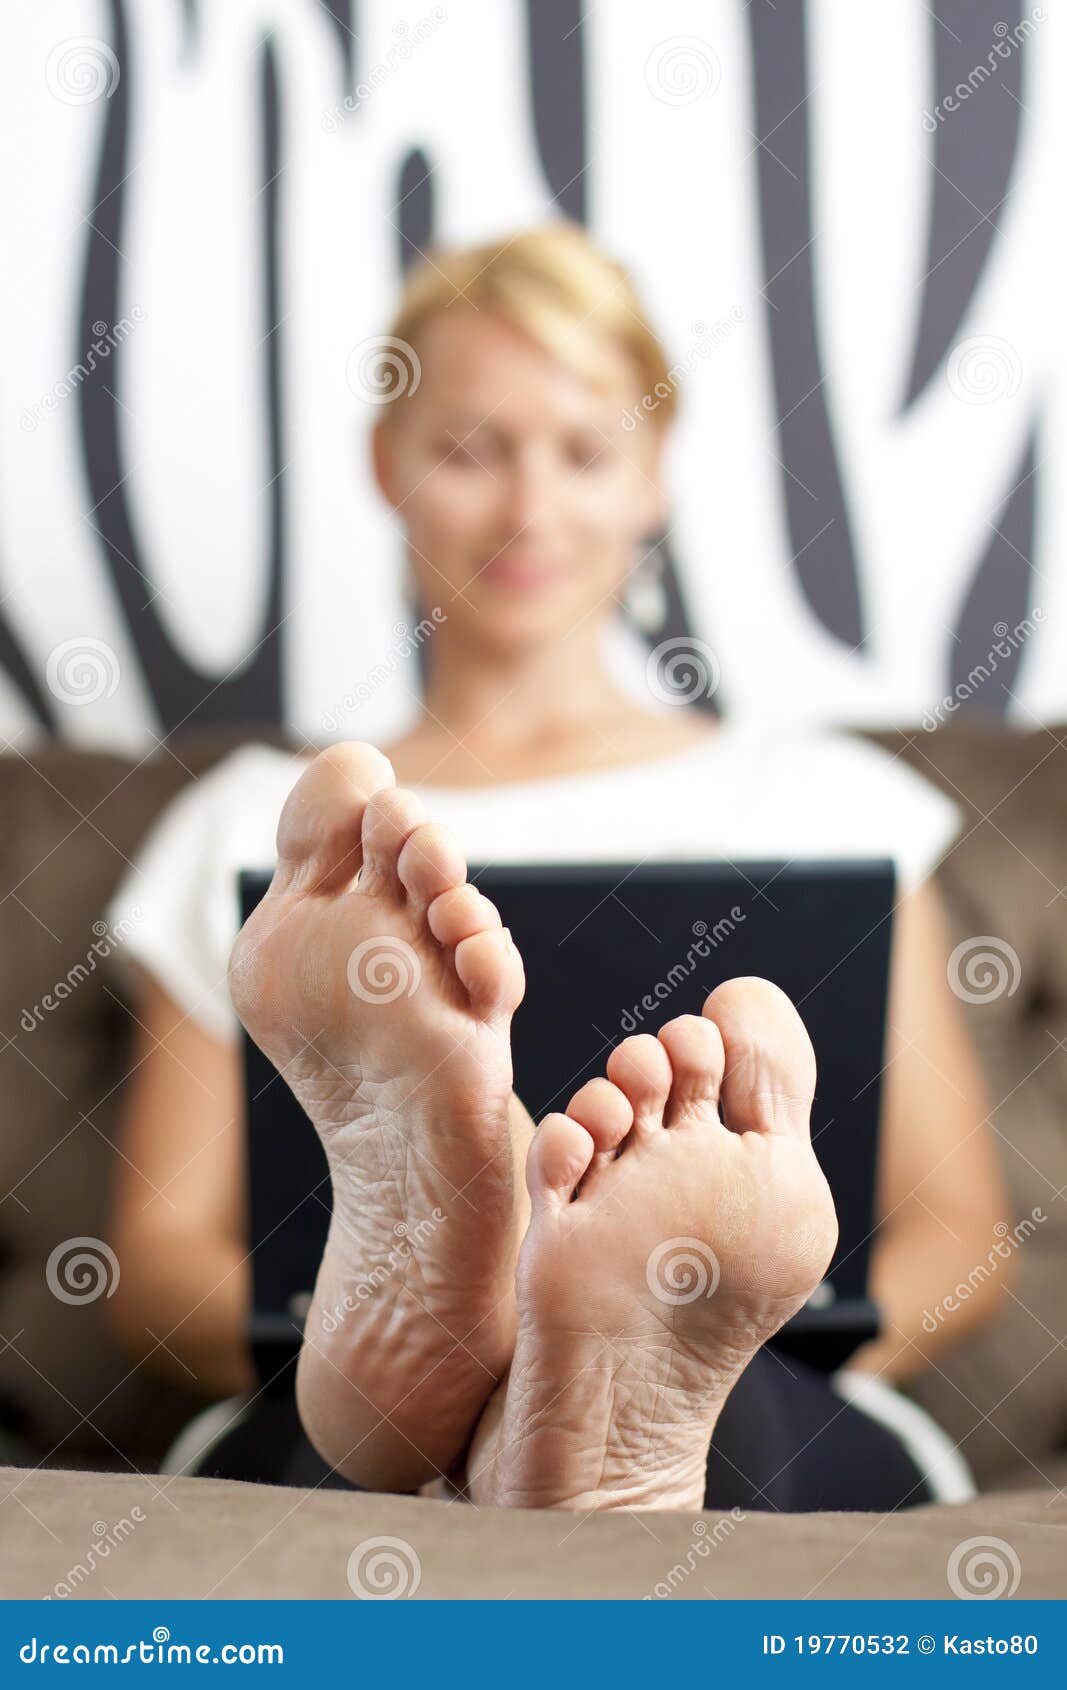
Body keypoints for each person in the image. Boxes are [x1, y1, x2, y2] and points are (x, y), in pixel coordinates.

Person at [104, 221, 1009, 1510]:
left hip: (766, 1385)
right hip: (316, 1386)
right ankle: (461, 1363)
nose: (531, 508)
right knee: (423, 1423)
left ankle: (566, 1376)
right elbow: (156, 1272)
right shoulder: (285, 833)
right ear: (388, 463)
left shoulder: (827, 801)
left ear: (654, 476)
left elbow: (963, 1231)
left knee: (693, 1390)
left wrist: (723, 1323)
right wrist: (498, 1353)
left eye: (586, 451)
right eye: (472, 450)